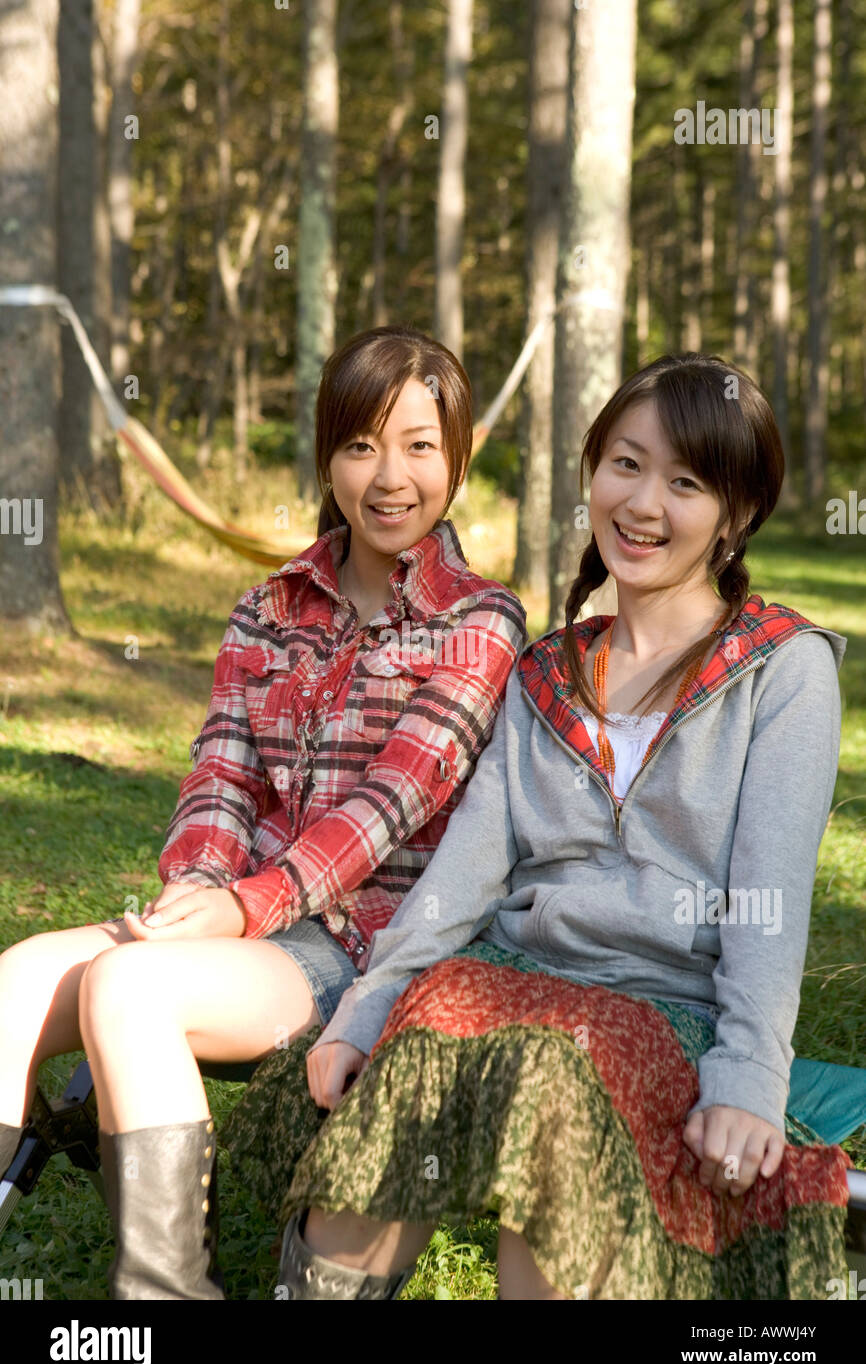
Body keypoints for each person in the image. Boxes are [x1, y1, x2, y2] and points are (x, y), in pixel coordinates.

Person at [223, 351, 854, 1301]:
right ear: (593, 472)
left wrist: (748, 1079)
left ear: (738, 514)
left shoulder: (783, 669)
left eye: (686, 482)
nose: (643, 504)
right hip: (515, 980)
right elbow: (466, 872)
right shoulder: (547, 672)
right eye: (626, 464)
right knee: (422, 1040)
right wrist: (368, 1006)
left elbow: (769, 903)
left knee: (551, 1082)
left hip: (664, 1009)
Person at [0, 324, 526, 1299]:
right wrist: (195, 885)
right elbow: (222, 776)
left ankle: (162, 1293)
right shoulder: (266, 608)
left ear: (456, 456)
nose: (388, 476)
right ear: (326, 454)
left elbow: (394, 800)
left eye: (418, 445)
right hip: (248, 918)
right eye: (360, 443)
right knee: (17, 979)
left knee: (127, 988)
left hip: (367, 947)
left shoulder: (479, 622)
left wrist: (247, 903)